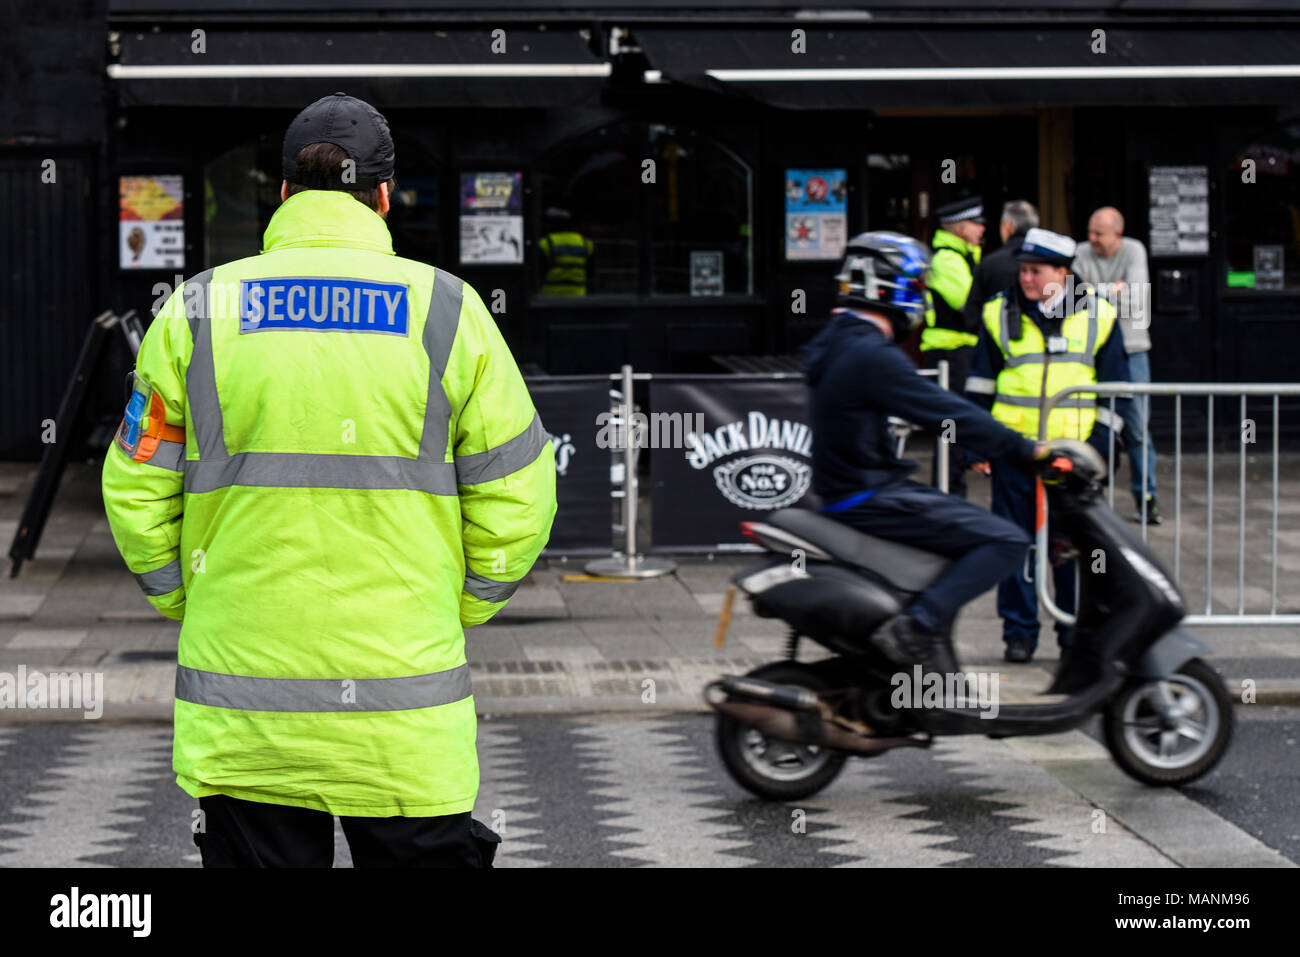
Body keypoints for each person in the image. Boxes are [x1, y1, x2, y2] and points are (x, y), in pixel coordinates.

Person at [101, 93, 557, 867]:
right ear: (382, 197)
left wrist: (190, 596)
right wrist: (461, 604)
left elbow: (136, 486)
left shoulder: (197, 311)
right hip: (403, 714)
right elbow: (518, 493)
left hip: (247, 710)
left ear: (282, 194)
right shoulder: (451, 312)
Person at [802, 231, 1050, 678]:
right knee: (1006, 540)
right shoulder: (871, 354)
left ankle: (929, 664)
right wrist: (1024, 449)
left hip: (851, 488)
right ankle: (914, 629)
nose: (920, 299)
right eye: (916, 288)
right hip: (867, 494)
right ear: (887, 288)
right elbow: (947, 412)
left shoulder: (839, 340)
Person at [965, 228, 1131, 663]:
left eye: (1036, 271)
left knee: (1070, 550)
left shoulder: (1098, 315)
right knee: (1013, 545)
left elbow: (1117, 393)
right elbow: (980, 386)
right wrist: (976, 445)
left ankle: (1073, 632)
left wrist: (1100, 449)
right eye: (1023, 270)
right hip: (1015, 451)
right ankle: (1018, 634)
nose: (1026, 279)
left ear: (1063, 272)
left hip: (1072, 456)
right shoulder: (999, 313)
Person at [1072, 206, 1160, 524]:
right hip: (1092, 348)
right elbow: (1070, 297)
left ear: (1118, 234)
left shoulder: (1134, 250)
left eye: (1099, 234)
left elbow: (1136, 302)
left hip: (1132, 349)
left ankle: (1146, 497)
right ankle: (1090, 498)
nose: (1092, 239)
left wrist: (1093, 295)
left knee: (1136, 429)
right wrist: (1112, 291)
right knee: (1090, 425)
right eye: (1090, 232)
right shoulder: (1081, 251)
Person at [920, 197, 986, 498]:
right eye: (976, 223)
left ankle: (951, 490)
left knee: (958, 427)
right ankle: (948, 493)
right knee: (952, 429)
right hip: (949, 352)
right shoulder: (948, 259)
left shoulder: (963, 255)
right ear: (960, 228)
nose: (982, 228)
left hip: (958, 351)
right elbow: (970, 302)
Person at [537, 207, 595, 295]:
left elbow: (539, 271)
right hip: (579, 295)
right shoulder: (585, 243)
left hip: (550, 295)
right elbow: (591, 271)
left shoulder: (545, 243)